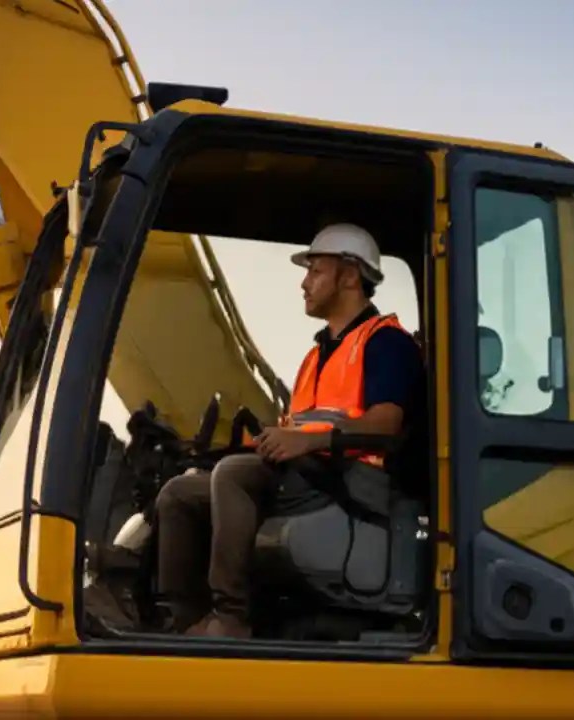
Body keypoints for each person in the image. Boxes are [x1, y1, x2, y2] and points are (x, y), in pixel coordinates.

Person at [153, 222, 424, 639]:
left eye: (315, 271)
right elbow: (295, 425)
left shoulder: (386, 342)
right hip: (306, 475)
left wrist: (306, 441)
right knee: (179, 493)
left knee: (235, 477)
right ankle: (181, 619)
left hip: (353, 480)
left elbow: (386, 424)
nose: (304, 283)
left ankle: (232, 617)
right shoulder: (315, 355)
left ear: (350, 276)